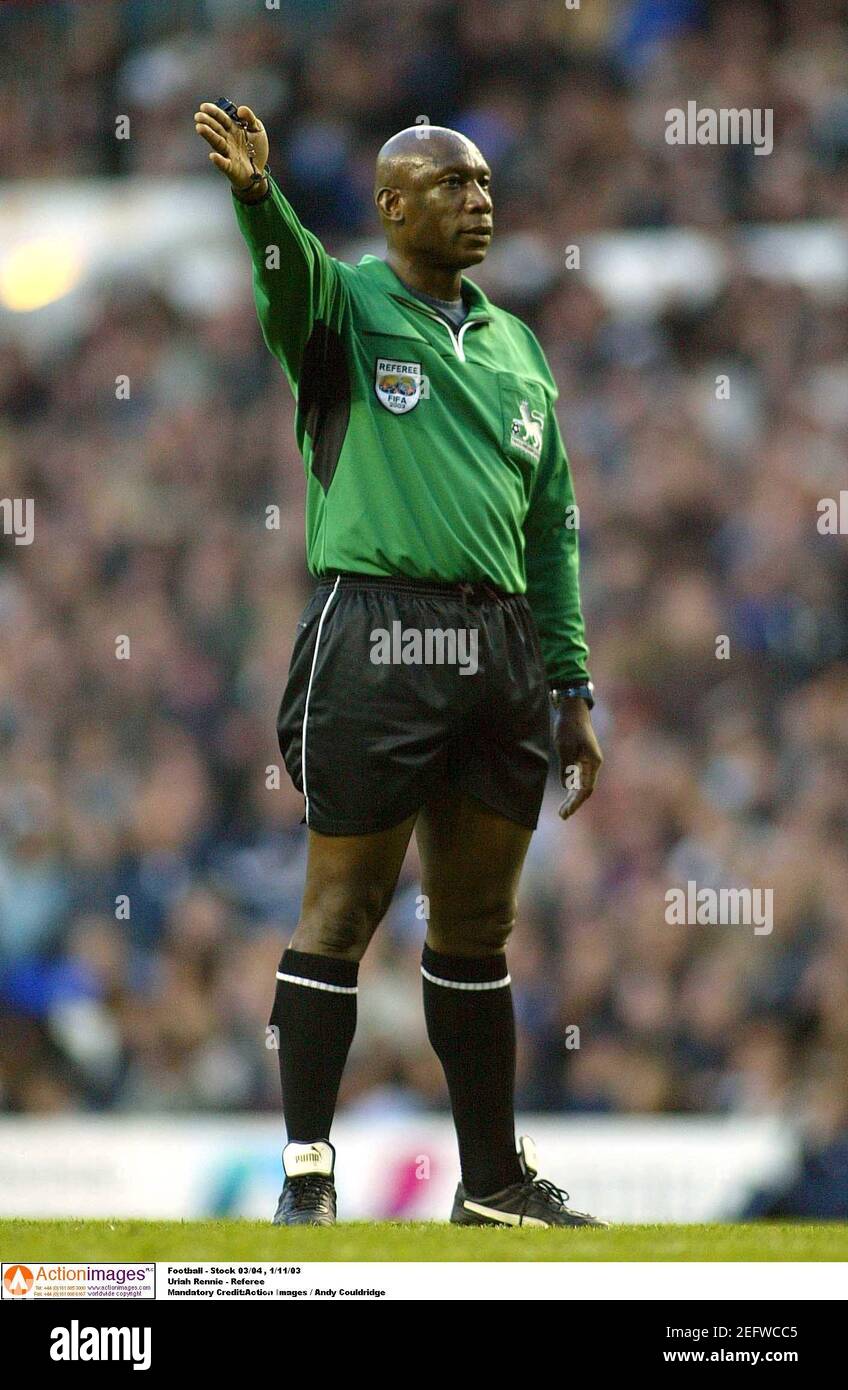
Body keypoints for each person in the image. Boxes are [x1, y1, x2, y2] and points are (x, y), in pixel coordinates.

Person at [193, 101, 606, 1228]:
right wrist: (257, 202)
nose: (479, 200)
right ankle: (307, 1177)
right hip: (373, 631)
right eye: (453, 184)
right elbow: (285, 282)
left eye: (483, 183)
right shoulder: (345, 309)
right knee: (341, 908)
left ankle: (491, 1184)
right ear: (391, 205)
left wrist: (569, 687)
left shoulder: (518, 348)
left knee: (476, 926)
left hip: (503, 647)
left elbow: (550, 526)